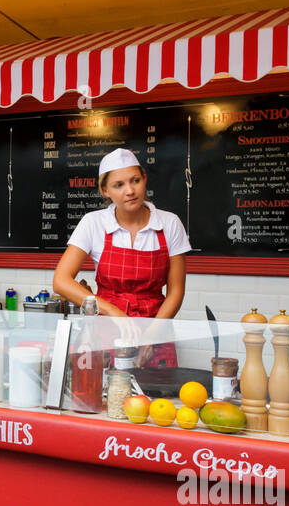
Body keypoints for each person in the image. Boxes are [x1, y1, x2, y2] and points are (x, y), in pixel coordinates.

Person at [52, 147, 191, 366]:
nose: (130, 191)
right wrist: (113, 312)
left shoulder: (169, 223)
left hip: (157, 329)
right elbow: (61, 281)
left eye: (135, 180)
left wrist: (151, 335)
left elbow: (176, 291)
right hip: (107, 332)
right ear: (105, 190)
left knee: (159, 399)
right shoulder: (93, 223)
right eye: (119, 185)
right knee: (107, 393)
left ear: (144, 179)